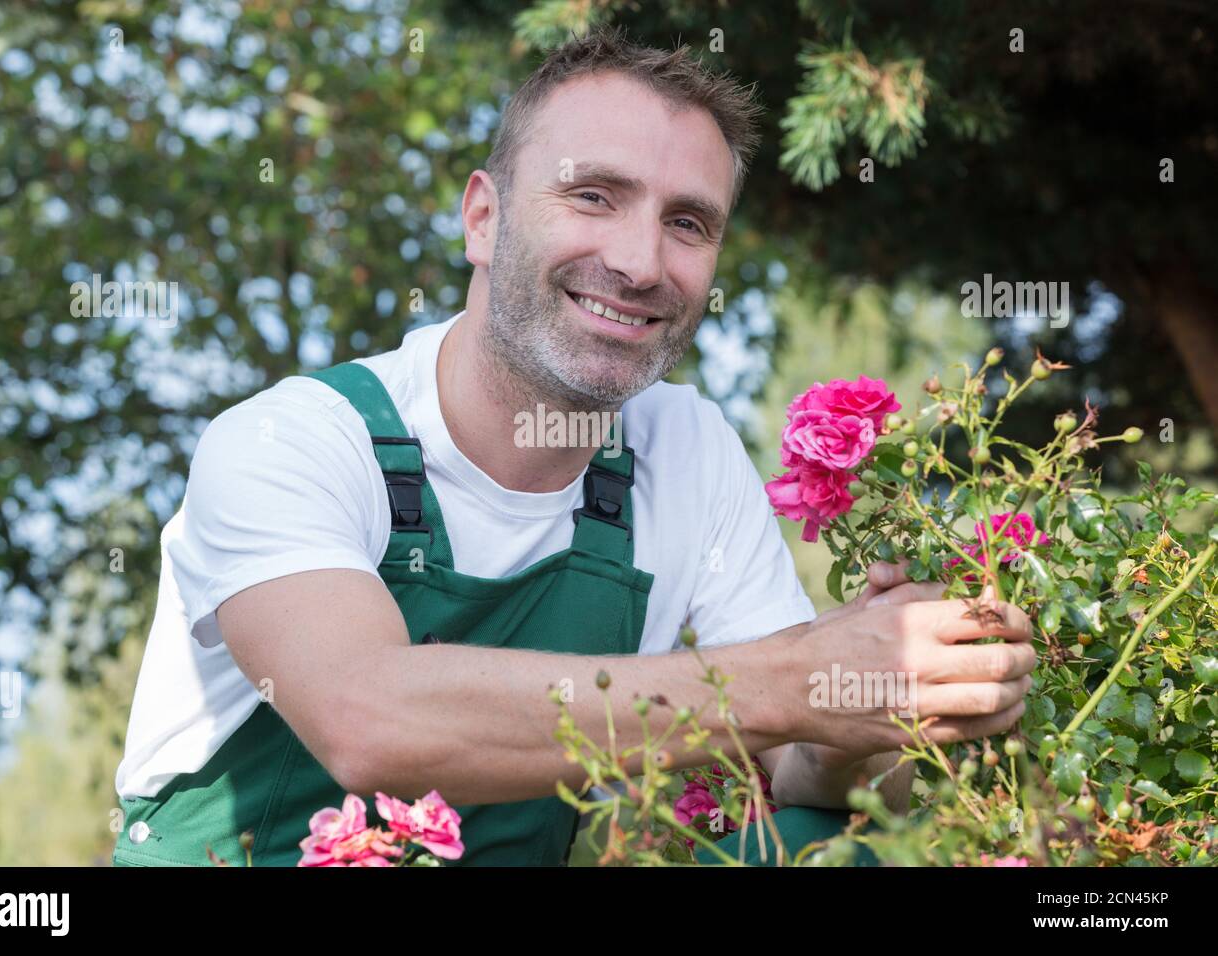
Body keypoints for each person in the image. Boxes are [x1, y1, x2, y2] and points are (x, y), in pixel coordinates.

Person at [112, 27, 1034, 867]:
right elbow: (369, 721)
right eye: (594, 195)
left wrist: (884, 691)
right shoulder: (296, 437)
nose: (640, 262)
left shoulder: (685, 446)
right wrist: (799, 677)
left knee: (824, 852)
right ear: (483, 218)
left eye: (687, 222)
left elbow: (801, 775)